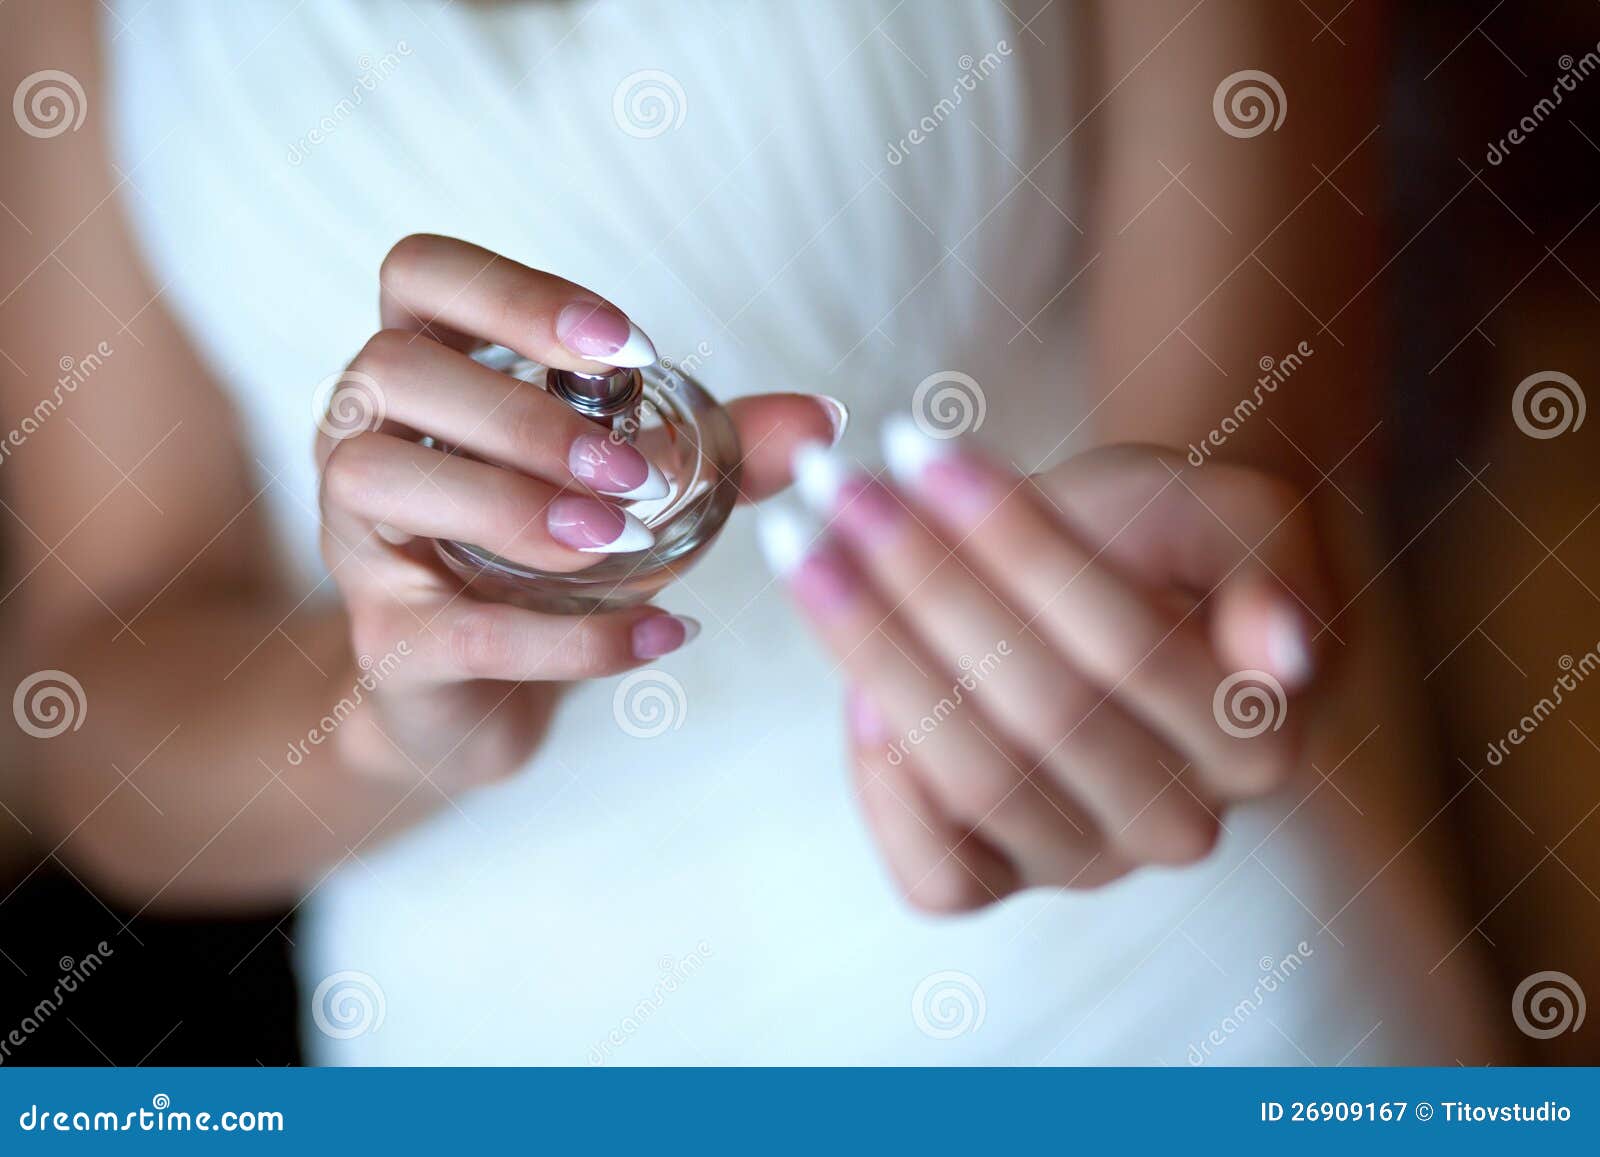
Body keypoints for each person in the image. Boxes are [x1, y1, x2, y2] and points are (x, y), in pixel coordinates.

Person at [0, 0, 1502, 1063]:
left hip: (1163, 992)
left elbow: (1256, 464)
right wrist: (377, 715)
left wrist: (1183, 614)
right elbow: (85, 699)